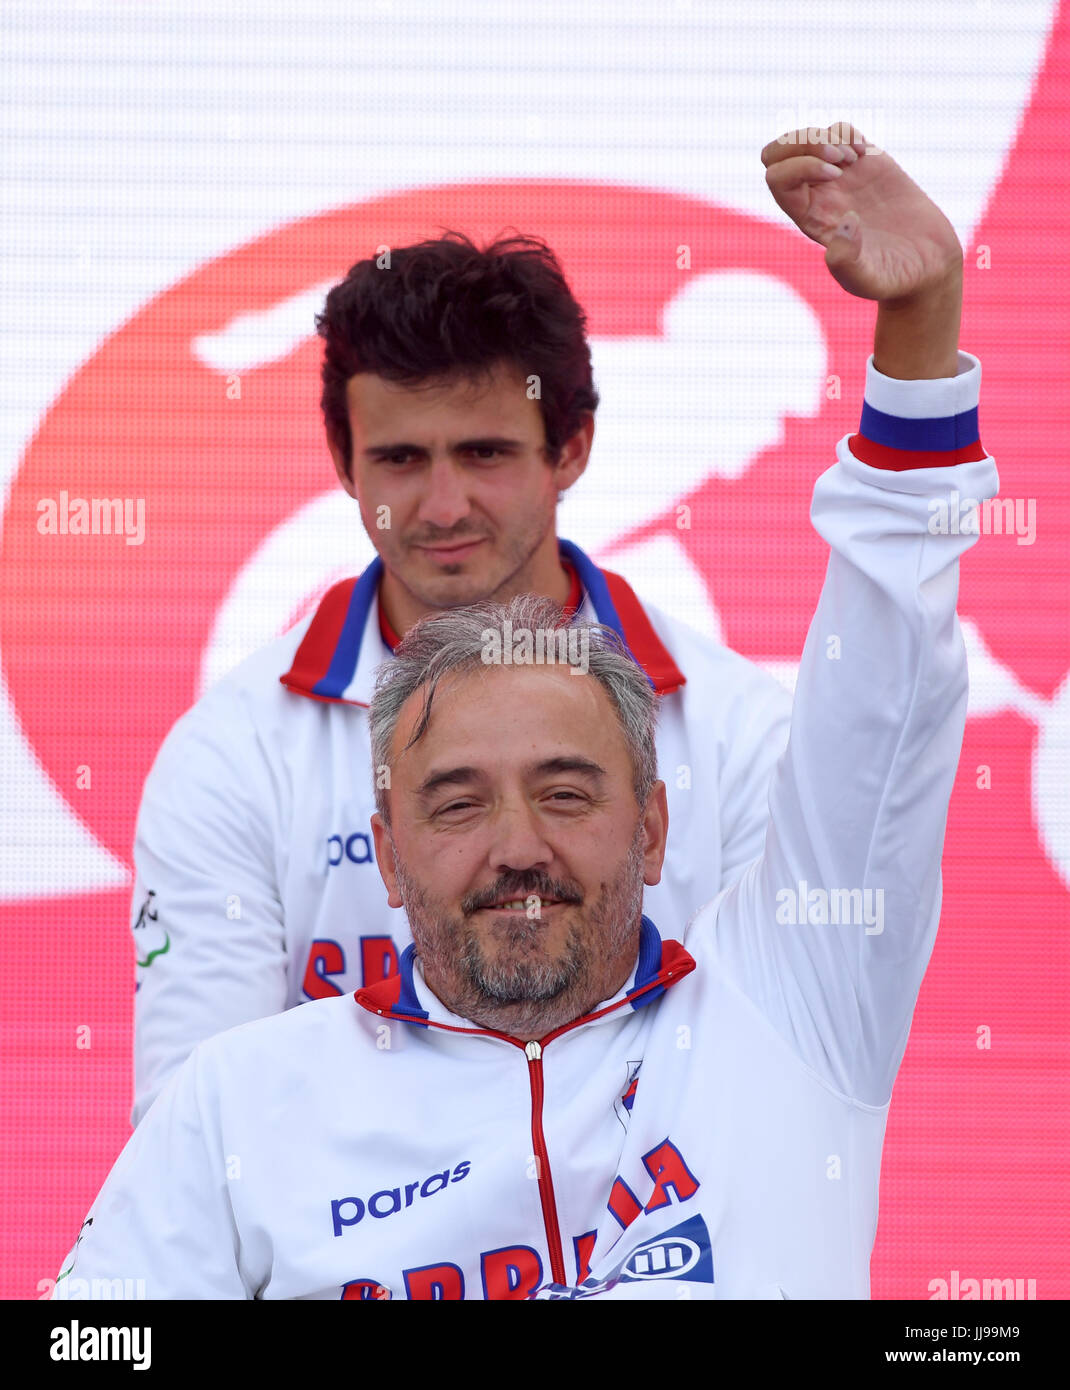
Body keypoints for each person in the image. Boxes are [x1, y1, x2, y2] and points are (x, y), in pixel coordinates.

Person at [56, 127, 997, 1299]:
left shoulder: (746, 784)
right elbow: (185, 1200)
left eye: (567, 790)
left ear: (652, 821)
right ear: (384, 843)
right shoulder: (231, 781)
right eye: (454, 802)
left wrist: (917, 345)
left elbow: (883, 719)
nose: (442, 505)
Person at [129, 207, 794, 1125]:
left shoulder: (741, 732)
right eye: (401, 459)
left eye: (484, 454)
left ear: (571, 449)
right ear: (343, 462)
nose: (443, 507)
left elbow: (776, 1086)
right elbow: (194, 1131)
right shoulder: (229, 755)